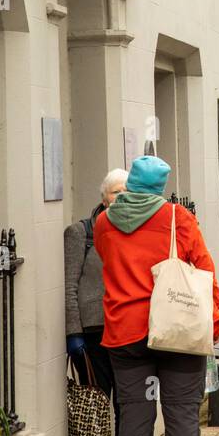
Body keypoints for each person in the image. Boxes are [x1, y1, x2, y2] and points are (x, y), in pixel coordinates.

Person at [94, 155, 219, 436]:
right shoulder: (176, 218)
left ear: (131, 183)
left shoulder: (104, 222)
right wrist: (213, 321)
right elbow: (202, 268)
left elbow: (108, 260)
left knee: (135, 418)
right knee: (182, 418)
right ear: (160, 187)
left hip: (125, 333)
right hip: (175, 330)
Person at [64, 169, 128, 417]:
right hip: (94, 332)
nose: (122, 197)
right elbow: (69, 285)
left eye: (126, 191)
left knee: (127, 403)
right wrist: (74, 333)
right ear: (104, 199)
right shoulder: (81, 233)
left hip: (126, 330)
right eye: (116, 192)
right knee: (97, 404)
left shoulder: (134, 231)